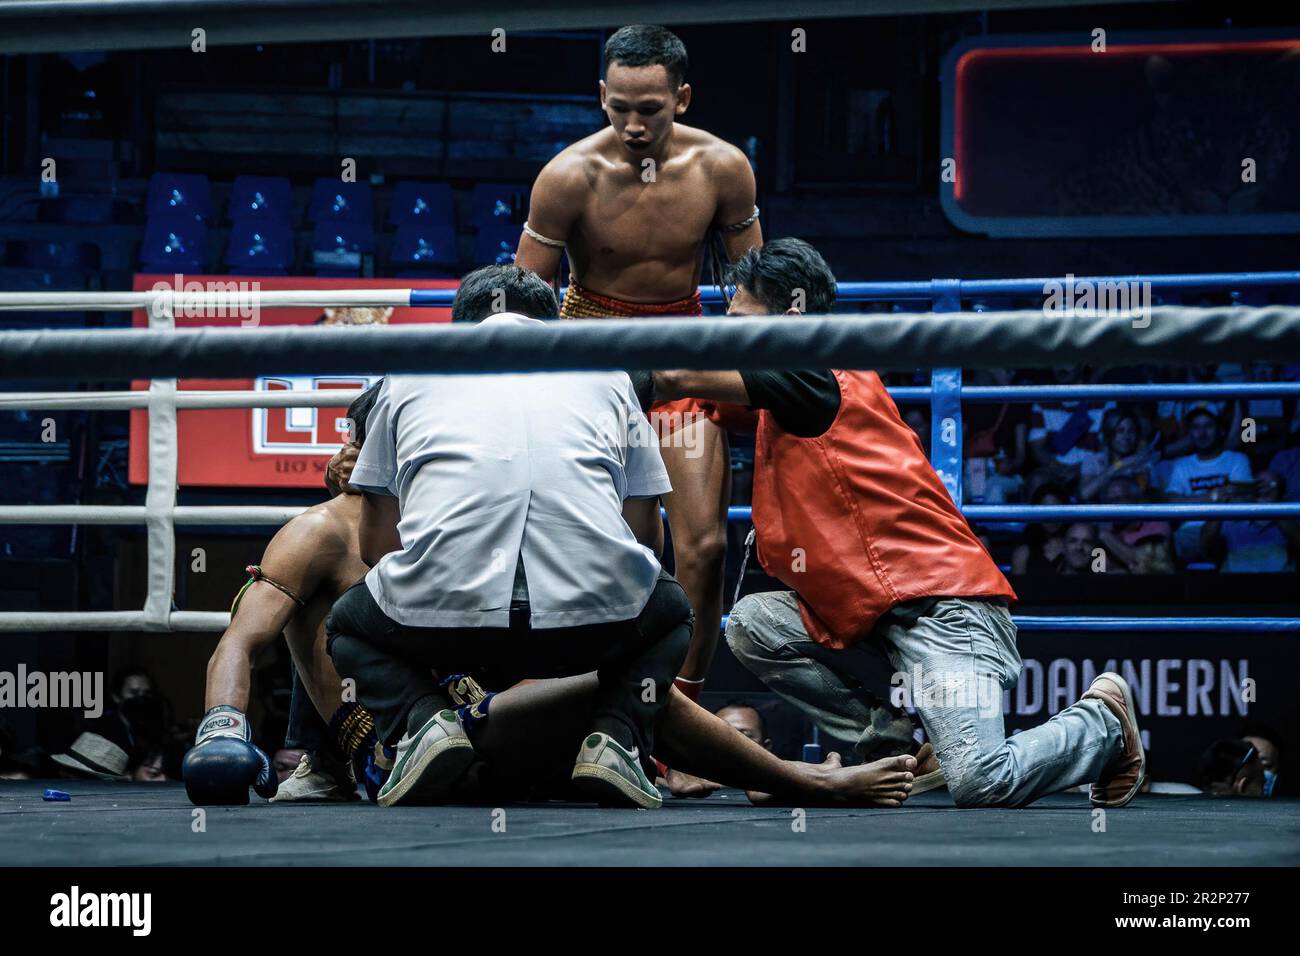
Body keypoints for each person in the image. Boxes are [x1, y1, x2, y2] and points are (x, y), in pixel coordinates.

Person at [325, 265, 917, 810]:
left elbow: (377, 550)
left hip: (449, 633)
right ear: (553, 322)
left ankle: (424, 725)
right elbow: (643, 541)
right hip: (580, 635)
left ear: (459, 328)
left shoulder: (411, 373)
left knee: (348, 622)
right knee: (668, 611)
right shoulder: (607, 372)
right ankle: (616, 739)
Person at [654, 238, 1146, 809]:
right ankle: (899, 741)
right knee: (751, 623)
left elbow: (679, 378)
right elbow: (700, 400)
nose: (729, 333)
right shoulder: (784, 387)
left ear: (792, 309)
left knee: (981, 780)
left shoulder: (815, 366)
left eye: (740, 320)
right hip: (875, 621)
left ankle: (1103, 721)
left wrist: (597, 355)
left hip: (945, 612)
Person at [514, 24, 763, 703]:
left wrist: (757, 372)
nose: (631, 124)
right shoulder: (568, 177)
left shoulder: (723, 169)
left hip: (682, 360)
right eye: (618, 106)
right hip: (590, 365)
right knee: (623, 552)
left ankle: (680, 717)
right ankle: (609, 708)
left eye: (648, 108)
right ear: (601, 96)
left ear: (681, 98)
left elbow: (755, 293)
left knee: (705, 547)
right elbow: (519, 306)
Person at [182, 384, 388, 806]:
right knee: (312, 587)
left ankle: (325, 761)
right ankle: (327, 759)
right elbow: (241, 639)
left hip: (462, 730)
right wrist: (222, 732)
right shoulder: (322, 530)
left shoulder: (464, 512)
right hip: (401, 748)